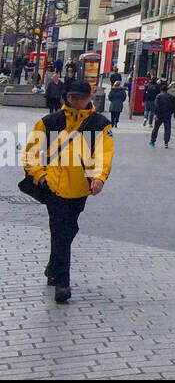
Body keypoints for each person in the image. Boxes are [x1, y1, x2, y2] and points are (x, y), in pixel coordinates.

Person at [22, 80, 114, 303]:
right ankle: (62, 283)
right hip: (53, 187)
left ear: (89, 98)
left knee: (68, 228)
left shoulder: (100, 124)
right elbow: (31, 153)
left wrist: (100, 177)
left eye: (81, 98)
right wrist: (40, 176)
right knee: (62, 230)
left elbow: (104, 154)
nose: (76, 101)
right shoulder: (49, 122)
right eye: (73, 97)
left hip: (81, 188)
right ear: (67, 97)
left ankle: (53, 265)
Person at [151, 80, 175, 148]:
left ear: (161, 90)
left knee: (156, 128)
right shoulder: (171, 97)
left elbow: (156, 106)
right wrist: (171, 112)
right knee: (167, 128)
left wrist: (155, 114)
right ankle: (166, 142)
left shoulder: (158, 96)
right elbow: (174, 106)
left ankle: (153, 140)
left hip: (159, 114)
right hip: (167, 114)